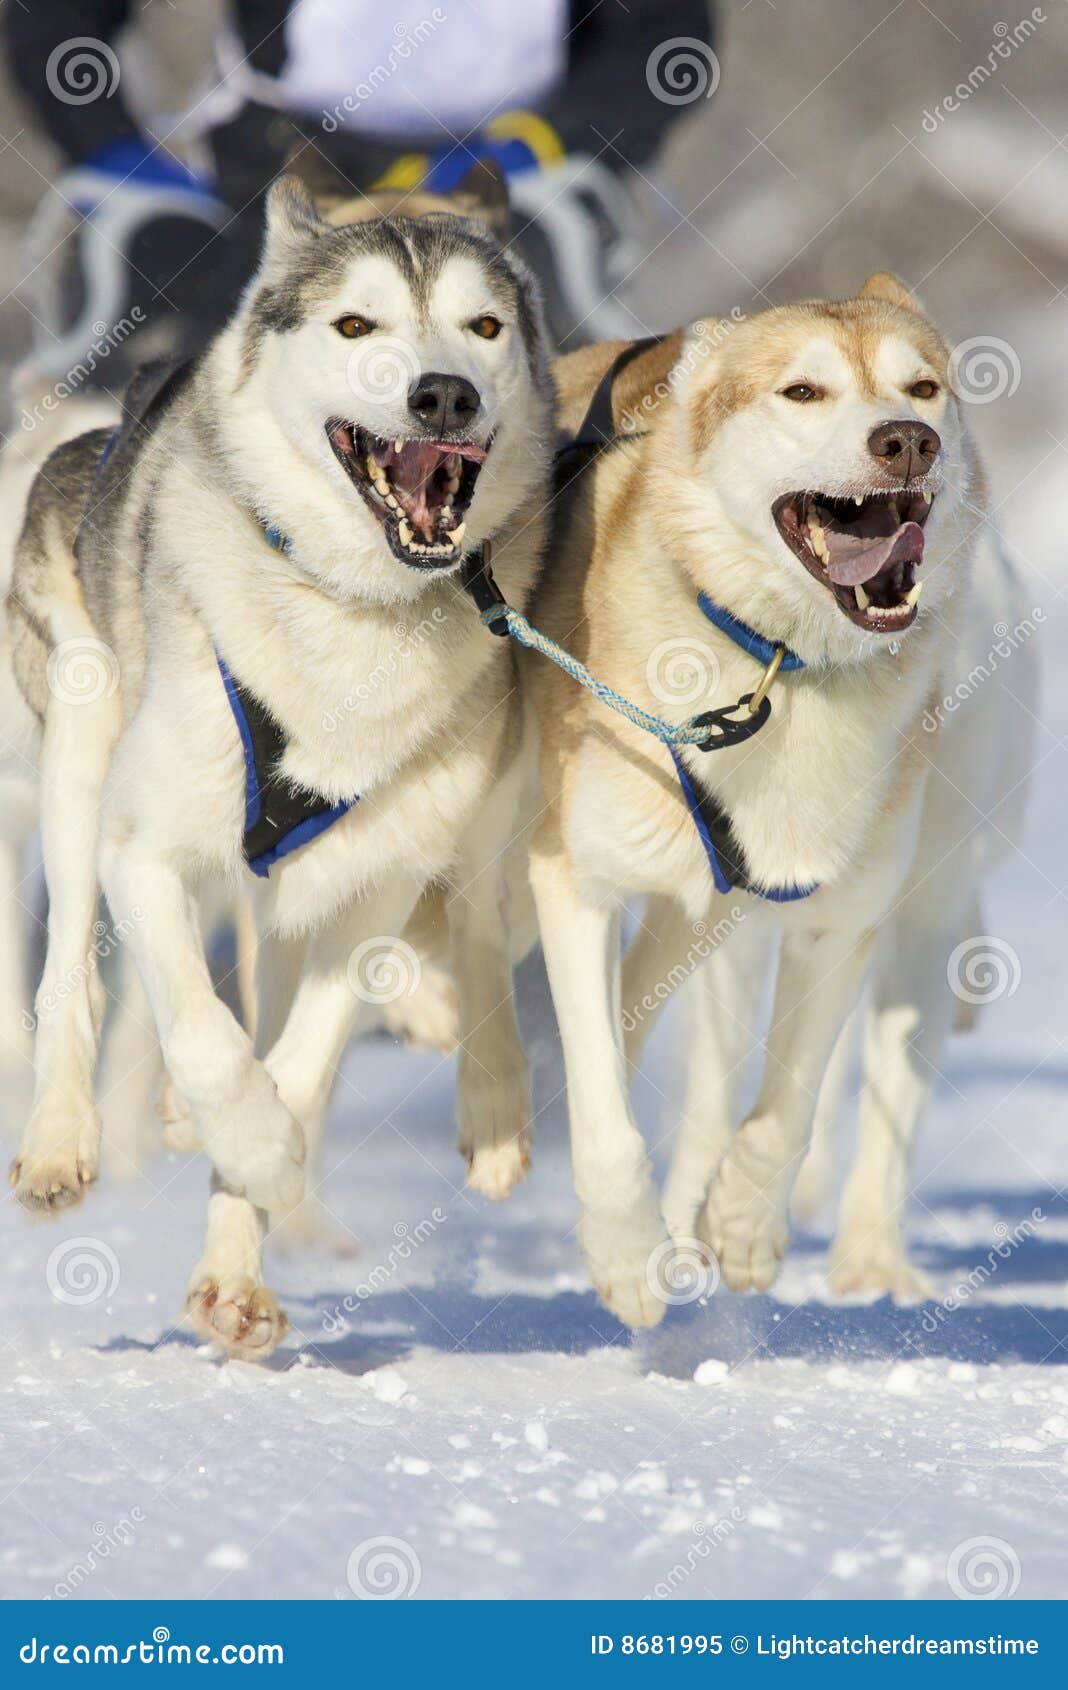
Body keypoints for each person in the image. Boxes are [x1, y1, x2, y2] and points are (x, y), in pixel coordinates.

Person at [6, 0, 715, 386]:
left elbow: (669, 42)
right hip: (275, 166)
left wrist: (542, 141)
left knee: (568, 380)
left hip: (513, 181)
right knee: (157, 352)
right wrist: (108, 143)